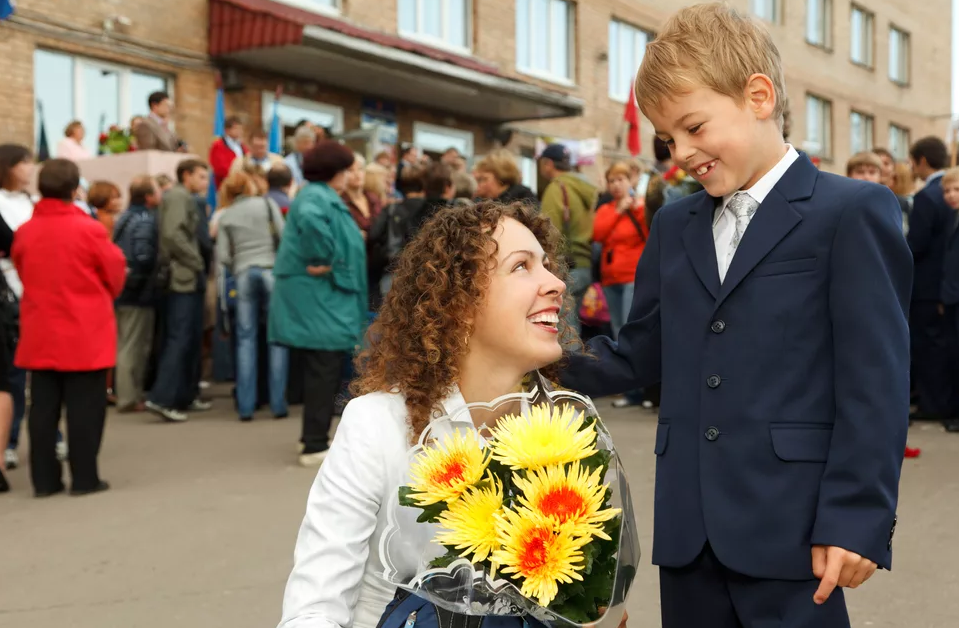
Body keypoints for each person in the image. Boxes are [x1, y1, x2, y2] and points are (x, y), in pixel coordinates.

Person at [559, 5, 911, 627]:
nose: (681, 153)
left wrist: (857, 516)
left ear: (757, 95)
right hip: (689, 531)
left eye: (694, 127)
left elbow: (874, 382)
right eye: (668, 140)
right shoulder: (673, 223)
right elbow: (643, 351)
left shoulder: (851, 211)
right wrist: (540, 355)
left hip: (794, 529)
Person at [277, 200, 572, 628]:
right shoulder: (376, 425)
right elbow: (314, 608)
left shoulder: (566, 428)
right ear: (459, 302)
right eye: (522, 266)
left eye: (547, 264)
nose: (556, 283)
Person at [13, 159, 127, 497]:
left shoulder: (26, 231)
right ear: (75, 189)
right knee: (85, 409)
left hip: (40, 329)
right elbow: (115, 271)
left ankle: (44, 481)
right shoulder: (88, 229)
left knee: (43, 409)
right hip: (84, 329)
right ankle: (84, 478)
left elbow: (21, 269)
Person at [269, 141, 367, 467]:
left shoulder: (317, 195)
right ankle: (314, 444)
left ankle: (312, 438)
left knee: (320, 369)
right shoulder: (316, 197)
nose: (351, 175)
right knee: (322, 370)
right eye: (348, 169)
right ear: (335, 171)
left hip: (323, 297)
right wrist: (322, 257)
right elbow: (312, 224)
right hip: (321, 298)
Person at [216, 169, 288, 422]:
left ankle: (246, 406)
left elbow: (223, 256)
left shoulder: (226, 215)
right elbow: (283, 236)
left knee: (245, 339)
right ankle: (278, 404)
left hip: (243, 273)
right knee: (276, 337)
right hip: (271, 271)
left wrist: (240, 261)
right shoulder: (267, 204)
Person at [147, 159, 210, 422]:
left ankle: (184, 395)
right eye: (201, 176)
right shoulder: (178, 197)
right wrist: (196, 261)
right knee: (179, 337)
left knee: (190, 337)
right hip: (182, 279)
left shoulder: (183, 197)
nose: (205, 182)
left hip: (187, 278)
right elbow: (173, 235)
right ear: (187, 175)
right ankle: (163, 398)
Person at [906, 136, 954, 424]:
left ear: (922, 161)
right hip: (944, 285)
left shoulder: (928, 195)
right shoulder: (945, 193)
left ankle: (932, 403)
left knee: (927, 347)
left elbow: (916, 244)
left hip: (926, 286)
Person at [113, 175, 162, 413]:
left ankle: (126, 394)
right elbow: (143, 256)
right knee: (133, 346)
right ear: (149, 196)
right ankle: (129, 397)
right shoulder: (144, 220)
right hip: (137, 292)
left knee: (124, 343)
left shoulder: (124, 217)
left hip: (123, 290)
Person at [538, 143, 597, 335]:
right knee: (573, 325)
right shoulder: (586, 187)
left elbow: (550, 231)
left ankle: (571, 365)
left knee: (565, 328)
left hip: (568, 265)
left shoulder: (556, 188)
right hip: (587, 263)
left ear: (548, 164)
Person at [593, 161, 648, 337]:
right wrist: (618, 212)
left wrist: (637, 210)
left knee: (628, 324)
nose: (616, 184)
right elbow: (597, 235)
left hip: (632, 276)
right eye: (611, 181)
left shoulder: (640, 207)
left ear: (629, 181)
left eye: (620, 179)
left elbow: (649, 234)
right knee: (616, 326)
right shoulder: (605, 210)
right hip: (609, 277)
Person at [209, 116, 249, 187]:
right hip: (225, 184)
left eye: (240, 129)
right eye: (236, 128)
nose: (239, 131)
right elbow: (220, 168)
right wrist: (237, 176)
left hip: (242, 184)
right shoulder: (218, 146)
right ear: (227, 130)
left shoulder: (242, 146)